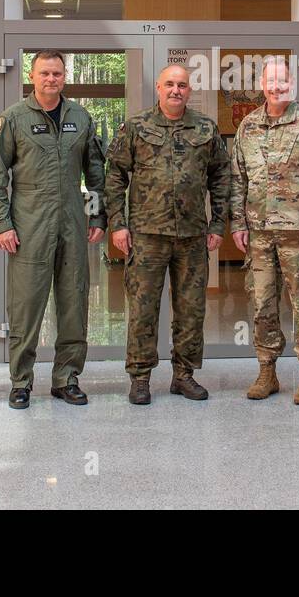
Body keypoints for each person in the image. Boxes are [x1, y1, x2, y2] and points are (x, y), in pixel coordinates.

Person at [0, 51, 106, 409]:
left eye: (56, 73)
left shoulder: (80, 117)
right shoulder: (13, 119)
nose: (50, 79)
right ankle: (21, 381)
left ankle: (67, 379)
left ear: (64, 77)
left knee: (73, 303)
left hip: (71, 224)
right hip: (29, 226)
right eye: (44, 73)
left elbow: (95, 174)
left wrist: (97, 217)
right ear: (32, 76)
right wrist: (2, 224)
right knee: (26, 307)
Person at [105, 64, 230, 405]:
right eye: (170, 84)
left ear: (190, 91)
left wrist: (218, 224)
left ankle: (184, 375)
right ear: (158, 88)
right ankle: (140, 377)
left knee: (191, 308)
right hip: (146, 235)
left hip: (192, 236)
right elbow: (115, 175)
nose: (176, 90)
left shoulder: (205, 128)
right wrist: (118, 223)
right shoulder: (136, 127)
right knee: (143, 308)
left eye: (183, 85)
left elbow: (221, 177)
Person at [229, 56, 299, 405]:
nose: (276, 87)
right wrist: (237, 222)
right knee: (262, 303)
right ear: (262, 85)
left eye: (282, 81)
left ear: (292, 83)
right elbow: (238, 178)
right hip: (260, 234)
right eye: (270, 82)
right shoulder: (248, 126)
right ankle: (267, 371)